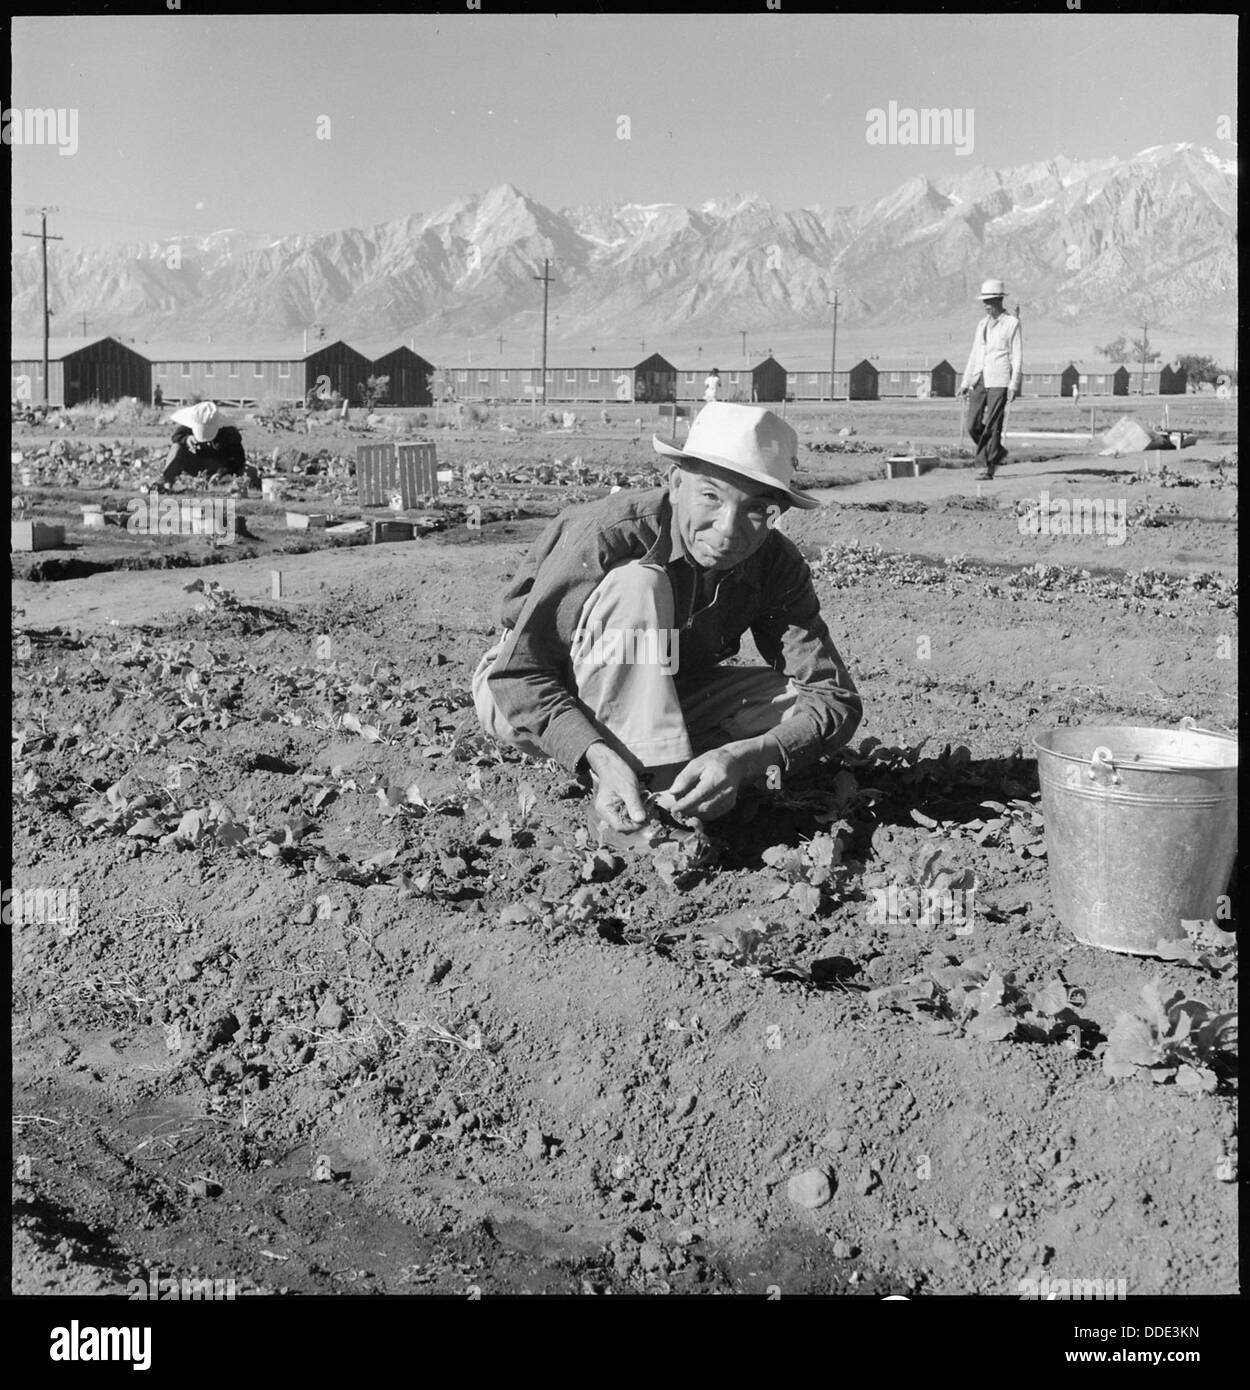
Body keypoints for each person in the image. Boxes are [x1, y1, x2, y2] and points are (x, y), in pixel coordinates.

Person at [472, 401, 862, 831]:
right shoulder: (606, 534)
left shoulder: (775, 563)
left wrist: (744, 758)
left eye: (757, 509)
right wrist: (598, 757)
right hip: (536, 696)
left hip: (663, 693)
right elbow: (519, 675)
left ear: (777, 514)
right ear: (676, 484)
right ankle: (645, 806)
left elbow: (833, 700)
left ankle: (675, 767)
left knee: (793, 705)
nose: (729, 529)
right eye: (710, 496)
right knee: (640, 584)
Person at [959, 278, 1022, 480]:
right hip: (980, 378)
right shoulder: (982, 324)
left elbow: (1017, 356)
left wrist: (1013, 384)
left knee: (993, 426)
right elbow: (974, 352)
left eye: (989, 301)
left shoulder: (1012, 323)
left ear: (999, 300)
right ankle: (996, 452)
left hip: (1000, 380)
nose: (985, 305)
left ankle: (985, 467)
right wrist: (965, 382)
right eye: (984, 302)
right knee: (972, 424)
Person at [157, 401, 259, 490]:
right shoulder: (193, 422)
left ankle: (232, 484)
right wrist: (187, 439)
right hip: (196, 463)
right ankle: (166, 484)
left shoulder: (229, 433)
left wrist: (222, 472)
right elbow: (176, 437)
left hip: (219, 466)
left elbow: (239, 459)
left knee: (249, 471)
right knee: (176, 448)